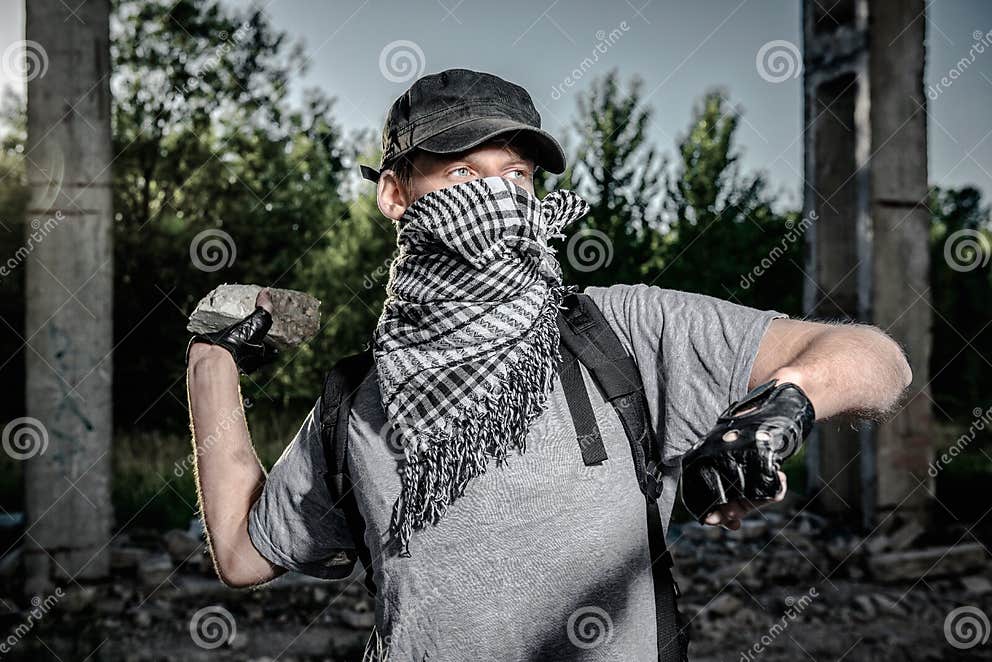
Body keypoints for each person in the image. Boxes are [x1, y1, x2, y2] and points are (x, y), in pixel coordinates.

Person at [185, 68, 913, 661]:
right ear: (393, 193)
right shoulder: (358, 401)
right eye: (463, 172)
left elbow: (877, 359)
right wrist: (210, 356)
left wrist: (782, 407)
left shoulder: (620, 332)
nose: (495, 200)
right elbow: (245, 554)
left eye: (516, 178)